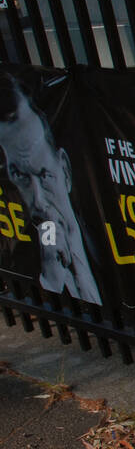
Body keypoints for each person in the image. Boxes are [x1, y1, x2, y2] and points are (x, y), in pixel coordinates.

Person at [0, 77, 102, 304]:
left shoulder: (106, 238)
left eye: (44, 176)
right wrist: (50, 281)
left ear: (64, 169)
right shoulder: (18, 258)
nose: (38, 202)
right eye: (20, 176)